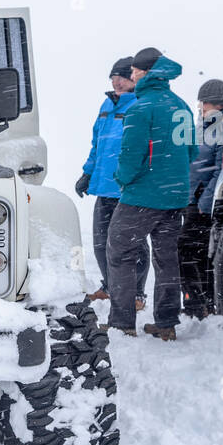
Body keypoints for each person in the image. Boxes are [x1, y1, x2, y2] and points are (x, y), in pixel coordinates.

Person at [104, 46, 198, 341]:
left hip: (143, 196)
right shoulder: (180, 106)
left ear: (145, 72)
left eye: (133, 70)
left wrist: (122, 178)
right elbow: (191, 151)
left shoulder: (140, 108)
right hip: (175, 196)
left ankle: (122, 323)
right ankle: (166, 322)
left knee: (119, 252)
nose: (130, 74)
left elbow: (131, 156)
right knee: (166, 258)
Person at [76, 57, 150, 311]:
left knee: (133, 245)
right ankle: (110, 286)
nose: (116, 82)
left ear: (134, 79)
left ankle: (137, 294)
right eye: (113, 77)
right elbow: (97, 145)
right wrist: (87, 173)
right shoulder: (107, 105)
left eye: (122, 77)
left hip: (129, 189)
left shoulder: (141, 106)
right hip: (104, 187)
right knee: (101, 243)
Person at [179, 79, 223, 319]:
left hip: (204, 202)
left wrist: (205, 202)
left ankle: (199, 304)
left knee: (187, 250)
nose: (200, 107)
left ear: (216, 103)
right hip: (192, 198)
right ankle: (203, 303)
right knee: (197, 252)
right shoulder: (206, 124)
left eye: (203, 103)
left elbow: (220, 168)